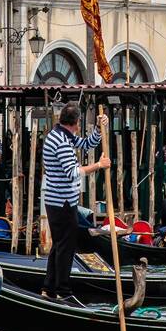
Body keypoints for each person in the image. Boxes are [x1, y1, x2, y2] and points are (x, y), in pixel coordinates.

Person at [41, 105, 110, 303]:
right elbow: (72, 172)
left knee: (59, 245)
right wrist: (98, 165)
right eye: (79, 122)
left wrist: (99, 129)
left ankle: (49, 288)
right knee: (66, 247)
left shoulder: (62, 135)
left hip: (60, 201)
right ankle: (63, 290)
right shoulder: (60, 141)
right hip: (61, 203)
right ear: (75, 123)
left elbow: (87, 145)